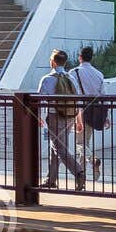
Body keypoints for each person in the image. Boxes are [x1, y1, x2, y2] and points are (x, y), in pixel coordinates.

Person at [37, 49, 84, 191]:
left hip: (54, 116)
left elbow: (38, 100)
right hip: (70, 116)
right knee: (56, 148)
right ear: (65, 62)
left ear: (52, 62)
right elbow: (78, 100)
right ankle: (50, 180)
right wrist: (79, 119)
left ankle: (79, 172)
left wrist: (38, 116)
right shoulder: (71, 78)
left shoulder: (47, 79)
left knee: (59, 148)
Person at [71, 45, 106, 182]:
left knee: (80, 144)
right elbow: (103, 95)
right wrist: (106, 116)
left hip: (79, 110)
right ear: (92, 58)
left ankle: (92, 161)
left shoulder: (74, 73)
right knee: (85, 143)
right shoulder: (99, 74)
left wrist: (77, 116)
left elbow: (73, 94)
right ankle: (81, 176)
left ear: (80, 57)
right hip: (94, 112)